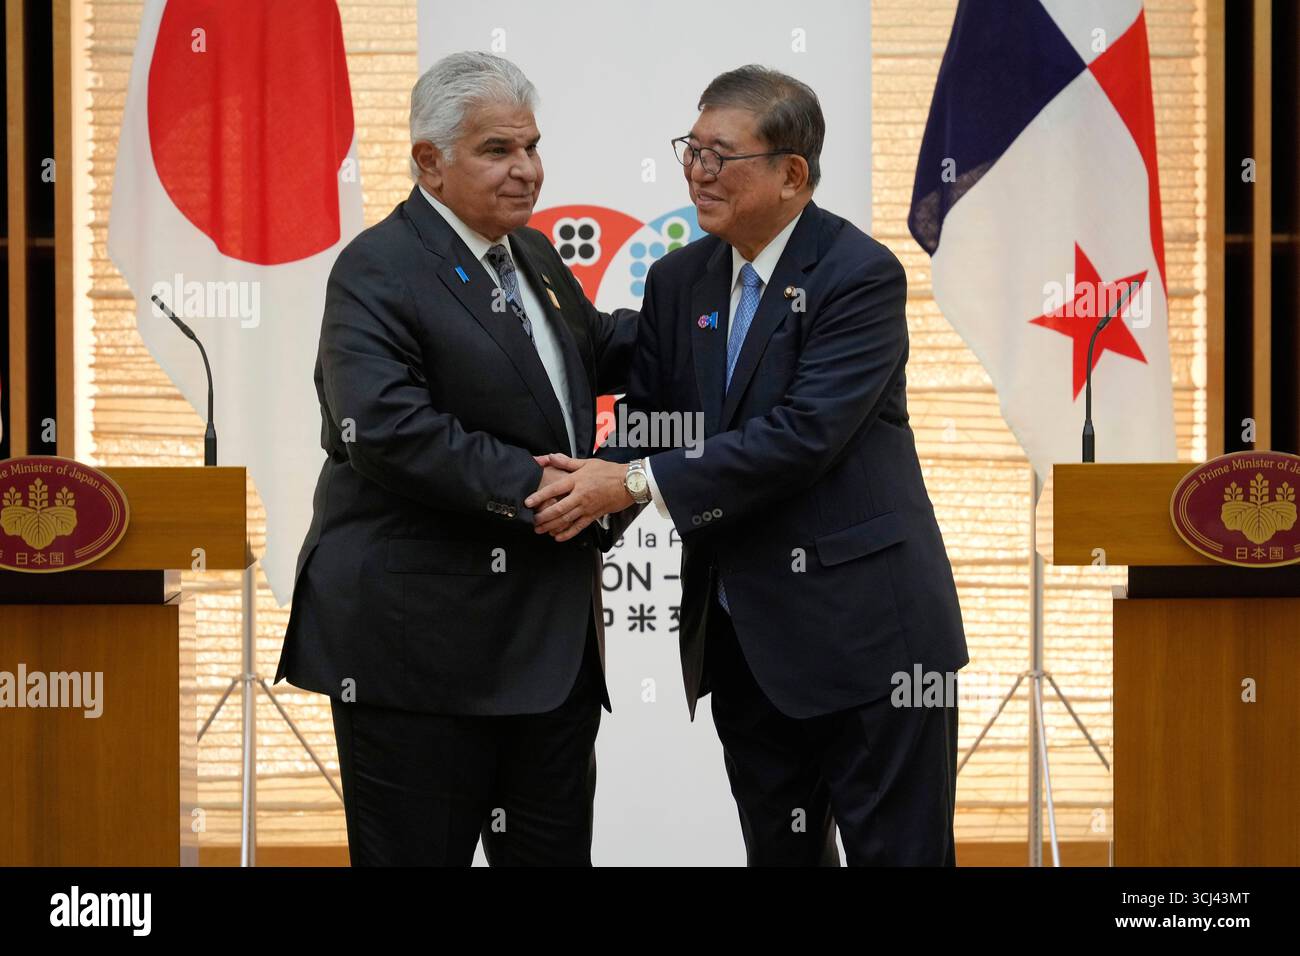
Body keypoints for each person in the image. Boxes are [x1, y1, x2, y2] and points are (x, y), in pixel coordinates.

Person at [528, 65, 968, 866]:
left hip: (871, 641)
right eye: (690, 150)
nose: (697, 171)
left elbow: (803, 436)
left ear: (791, 173)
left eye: (719, 155)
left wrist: (625, 484)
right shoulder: (678, 279)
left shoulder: (857, 277)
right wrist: (569, 505)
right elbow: (657, 421)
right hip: (744, 642)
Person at [274, 51, 636, 866]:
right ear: (429, 162)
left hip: (548, 651)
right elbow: (387, 427)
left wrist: (711, 310)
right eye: (498, 150)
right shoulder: (377, 268)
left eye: (533, 146)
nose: (527, 171)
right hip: (418, 654)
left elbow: (598, 349)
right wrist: (551, 490)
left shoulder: (534, 256)